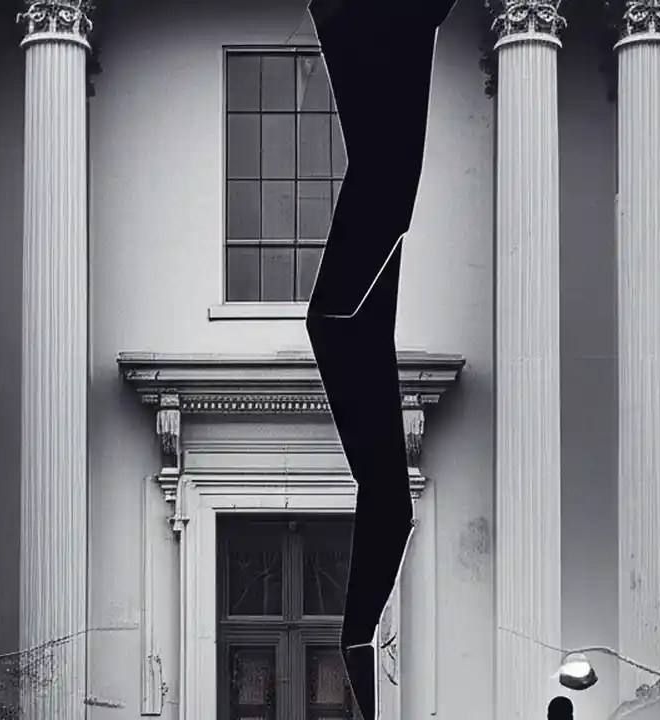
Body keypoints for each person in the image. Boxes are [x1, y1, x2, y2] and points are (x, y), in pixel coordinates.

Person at [302, 0, 456, 718]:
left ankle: (357, 646)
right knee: (387, 184)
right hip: (347, 317)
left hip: (348, 317)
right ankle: (357, 646)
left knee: (386, 181)